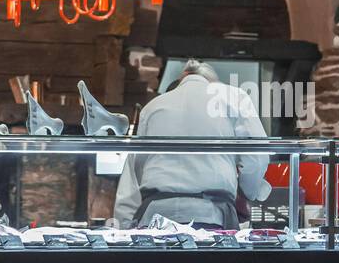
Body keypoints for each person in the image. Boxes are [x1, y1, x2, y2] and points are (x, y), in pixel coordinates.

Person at [113, 59, 271, 230]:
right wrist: (247, 194)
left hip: (155, 215)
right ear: (213, 83)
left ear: (182, 79)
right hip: (211, 215)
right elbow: (257, 157)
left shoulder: (152, 107)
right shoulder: (234, 98)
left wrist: (124, 230)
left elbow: (136, 172)